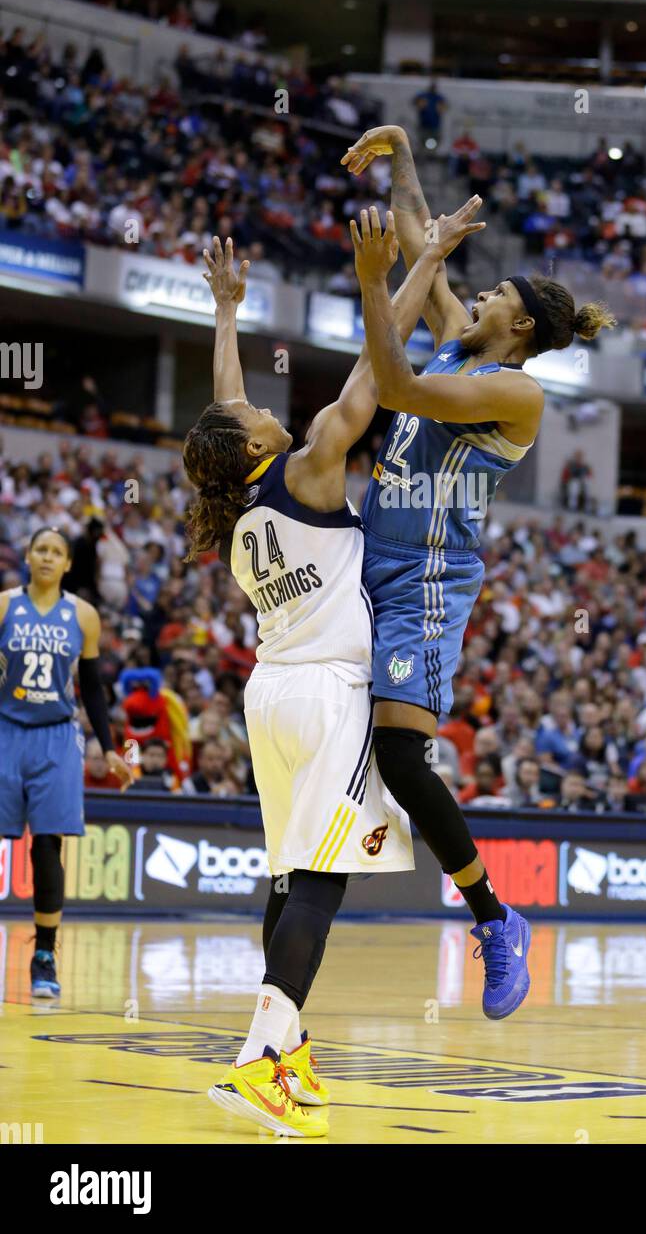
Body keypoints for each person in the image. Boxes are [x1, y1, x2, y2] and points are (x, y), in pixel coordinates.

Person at [181, 229, 475, 1138]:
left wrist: (228, 311)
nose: (265, 407)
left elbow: (223, 401)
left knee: (286, 874)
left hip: (269, 696)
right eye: (256, 414)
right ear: (252, 445)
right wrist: (404, 271)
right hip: (328, 696)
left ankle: (290, 1044)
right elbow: (372, 375)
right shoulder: (307, 464)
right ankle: (257, 1066)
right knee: (323, 877)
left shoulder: (239, 505)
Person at [341, 124, 615, 1021]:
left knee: (400, 752)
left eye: (493, 289)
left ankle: (495, 918)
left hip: (423, 576)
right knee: (342, 733)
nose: (477, 291)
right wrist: (402, 153)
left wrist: (378, 288)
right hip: (365, 555)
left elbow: (399, 388)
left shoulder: (518, 393)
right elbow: (426, 241)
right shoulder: (463, 339)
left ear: (522, 324)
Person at [0, 527, 132, 998]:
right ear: (29, 556)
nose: (48, 558)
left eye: (57, 552)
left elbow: (92, 688)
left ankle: (44, 955)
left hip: (57, 736)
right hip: (7, 730)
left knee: (47, 844)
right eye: (40, 549)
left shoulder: (84, 615)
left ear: (68, 564)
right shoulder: (4, 605)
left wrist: (110, 748)